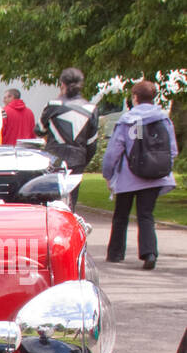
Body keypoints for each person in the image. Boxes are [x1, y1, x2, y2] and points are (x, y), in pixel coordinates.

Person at [101, 78, 178, 268]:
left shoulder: (128, 120)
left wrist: (108, 174)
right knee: (146, 215)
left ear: (135, 97)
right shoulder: (164, 119)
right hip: (154, 176)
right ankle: (149, 253)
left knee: (121, 215)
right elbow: (172, 150)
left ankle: (116, 253)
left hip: (129, 176)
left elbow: (114, 151)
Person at [37, 68, 100, 202]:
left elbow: (39, 130)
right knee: (71, 200)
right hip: (77, 159)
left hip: (54, 158)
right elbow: (92, 143)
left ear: (62, 84)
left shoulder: (53, 105)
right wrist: (84, 161)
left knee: (52, 199)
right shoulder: (91, 109)